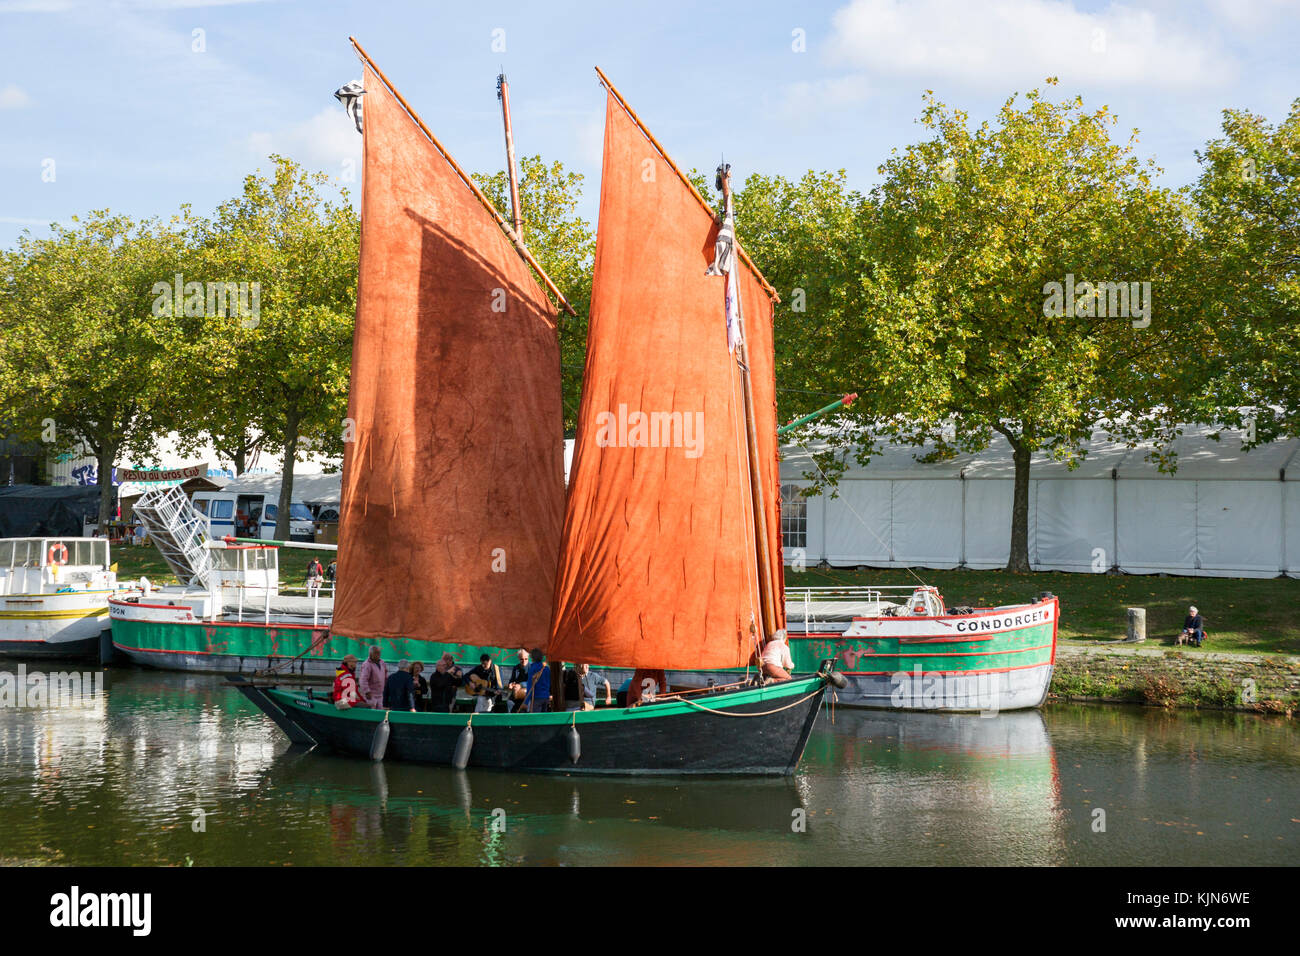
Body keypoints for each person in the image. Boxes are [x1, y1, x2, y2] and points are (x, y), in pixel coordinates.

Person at [521, 648, 551, 713]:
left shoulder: (533, 669)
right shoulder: (547, 668)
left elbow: (530, 686)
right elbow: (548, 684)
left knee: (535, 717)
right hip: (546, 697)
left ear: (532, 657)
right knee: (544, 717)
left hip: (537, 697)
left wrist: (526, 702)